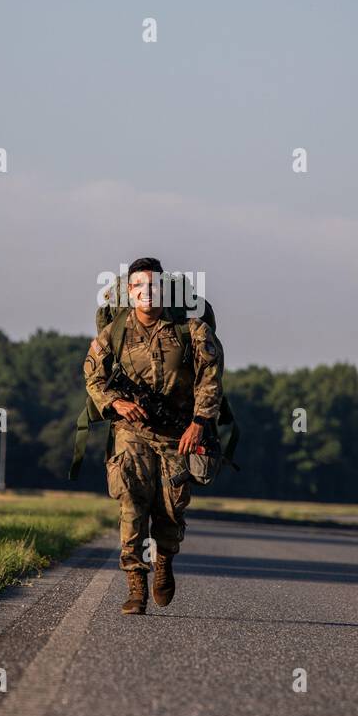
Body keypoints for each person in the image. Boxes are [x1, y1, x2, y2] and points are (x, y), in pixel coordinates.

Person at [83, 256, 224, 614]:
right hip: (131, 431)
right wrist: (116, 403)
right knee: (131, 502)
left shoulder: (190, 329)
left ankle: (164, 563)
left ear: (165, 290)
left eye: (154, 286)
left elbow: (211, 376)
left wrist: (199, 421)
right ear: (129, 292)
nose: (147, 292)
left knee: (171, 510)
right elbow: (93, 377)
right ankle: (135, 586)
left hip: (179, 433)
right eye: (139, 286)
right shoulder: (114, 332)